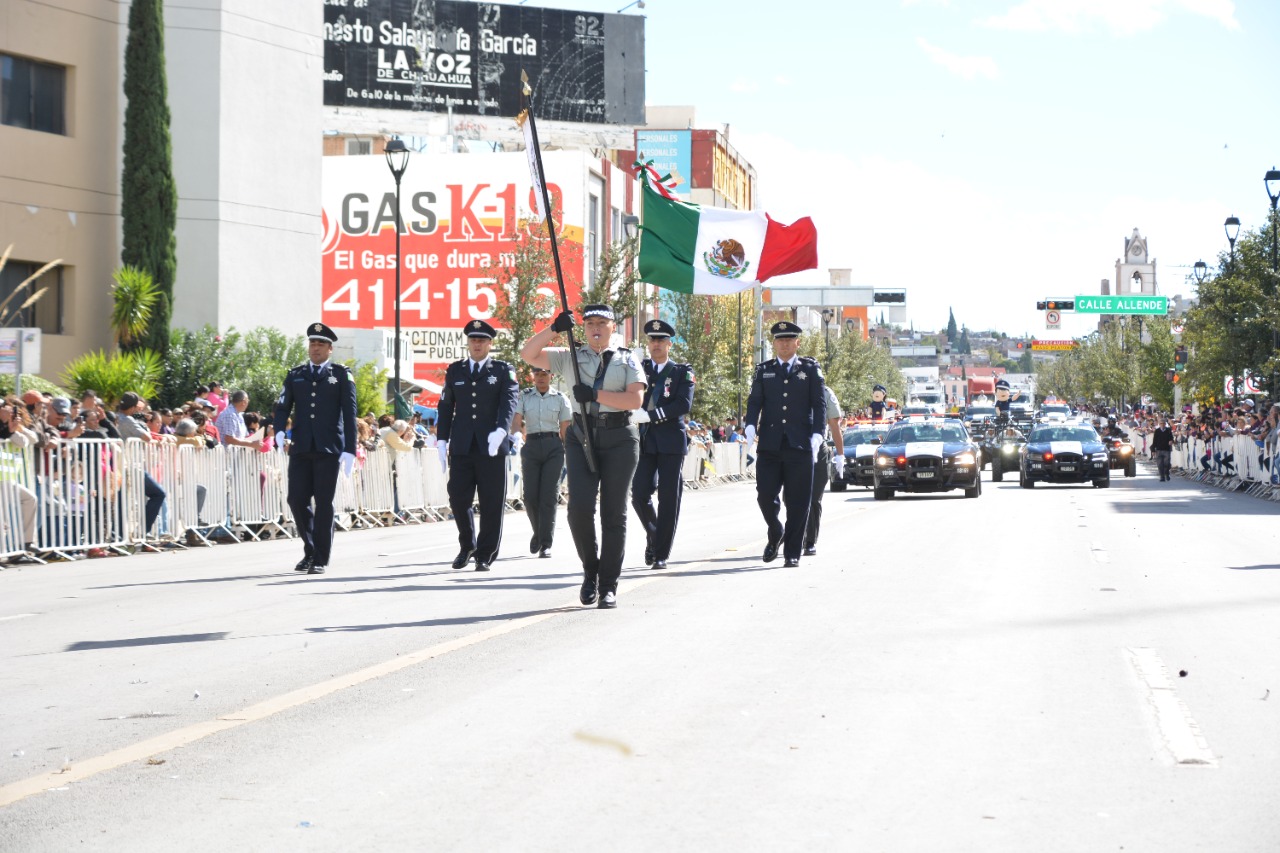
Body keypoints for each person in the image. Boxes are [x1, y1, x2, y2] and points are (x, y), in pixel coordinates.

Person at [521, 304, 644, 609]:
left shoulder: (627, 358)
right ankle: (591, 570)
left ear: (613, 327)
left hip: (619, 438)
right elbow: (528, 354)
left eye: (602, 323)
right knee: (578, 509)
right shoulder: (570, 357)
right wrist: (555, 328)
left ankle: (608, 584)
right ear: (584, 328)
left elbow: (635, 399)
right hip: (581, 437)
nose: (596, 329)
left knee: (613, 513)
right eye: (590, 324)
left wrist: (596, 396)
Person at [272, 322, 357, 576]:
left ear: (330, 349)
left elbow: (349, 413)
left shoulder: (341, 375)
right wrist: (278, 430)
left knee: (323, 502)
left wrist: (350, 448)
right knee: (296, 499)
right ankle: (310, 548)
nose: (315, 348)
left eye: (320, 344)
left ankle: (320, 557)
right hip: (301, 446)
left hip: (329, 449)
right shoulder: (296, 373)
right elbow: (283, 405)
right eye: (312, 343)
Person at [436, 319, 519, 572]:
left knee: (492, 502)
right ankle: (467, 544)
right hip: (462, 445)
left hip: (492, 447)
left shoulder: (503, 370)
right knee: (458, 499)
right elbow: (446, 405)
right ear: (468, 342)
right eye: (473, 339)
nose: (477, 344)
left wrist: (502, 430)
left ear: (490, 343)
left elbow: (509, 402)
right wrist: (441, 438)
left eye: (482, 340)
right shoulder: (455, 370)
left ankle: (485, 553)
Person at [743, 321, 826, 568]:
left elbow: (819, 404)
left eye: (789, 340)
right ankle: (775, 529)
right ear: (774, 343)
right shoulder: (764, 370)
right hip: (770, 444)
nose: (785, 344)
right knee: (765, 495)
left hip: (800, 444)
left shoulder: (810, 369)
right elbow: (754, 401)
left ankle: (792, 553)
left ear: (797, 343)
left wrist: (817, 434)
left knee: (799, 501)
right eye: (780, 340)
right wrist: (749, 425)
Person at [630, 319, 694, 570]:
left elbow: (683, 404)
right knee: (639, 494)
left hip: (670, 442)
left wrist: (652, 415)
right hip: (645, 441)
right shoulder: (638, 369)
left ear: (669, 344)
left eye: (660, 340)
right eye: (652, 340)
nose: (655, 344)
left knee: (669, 498)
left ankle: (661, 553)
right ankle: (654, 534)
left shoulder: (681, 372)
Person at [511, 366, 571, 559]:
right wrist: (516, 435)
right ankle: (538, 533)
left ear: (551, 376)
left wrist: (569, 453)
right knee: (529, 496)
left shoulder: (561, 398)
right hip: (532, 445)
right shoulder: (525, 396)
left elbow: (565, 428)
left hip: (554, 446)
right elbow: (517, 419)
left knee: (548, 496)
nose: (541, 378)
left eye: (544, 374)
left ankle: (546, 543)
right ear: (533, 376)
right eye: (537, 374)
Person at [114, 392, 168, 536]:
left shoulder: (117, 417)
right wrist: (142, 422)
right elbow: (147, 436)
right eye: (137, 409)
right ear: (132, 408)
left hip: (121, 465)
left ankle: (121, 537)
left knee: (121, 501)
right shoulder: (128, 420)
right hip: (131, 465)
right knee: (158, 494)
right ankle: (141, 531)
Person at [802, 384, 844, 557]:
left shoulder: (825, 392)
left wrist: (840, 455)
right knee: (792, 499)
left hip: (818, 450)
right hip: (795, 449)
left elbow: (834, 424)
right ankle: (794, 534)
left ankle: (810, 541)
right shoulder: (790, 388)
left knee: (813, 499)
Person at [1151, 416, 1174, 481]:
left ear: (1165, 424)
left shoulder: (1168, 430)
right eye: (1161, 423)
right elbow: (1154, 441)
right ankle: (1162, 477)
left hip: (1166, 449)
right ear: (1159, 424)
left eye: (1163, 423)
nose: (1162, 425)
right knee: (1160, 464)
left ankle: (1167, 473)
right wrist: (1153, 450)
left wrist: (1171, 441)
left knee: (1167, 463)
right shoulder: (1157, 431)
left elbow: (1171, 438)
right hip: (1159, 449)